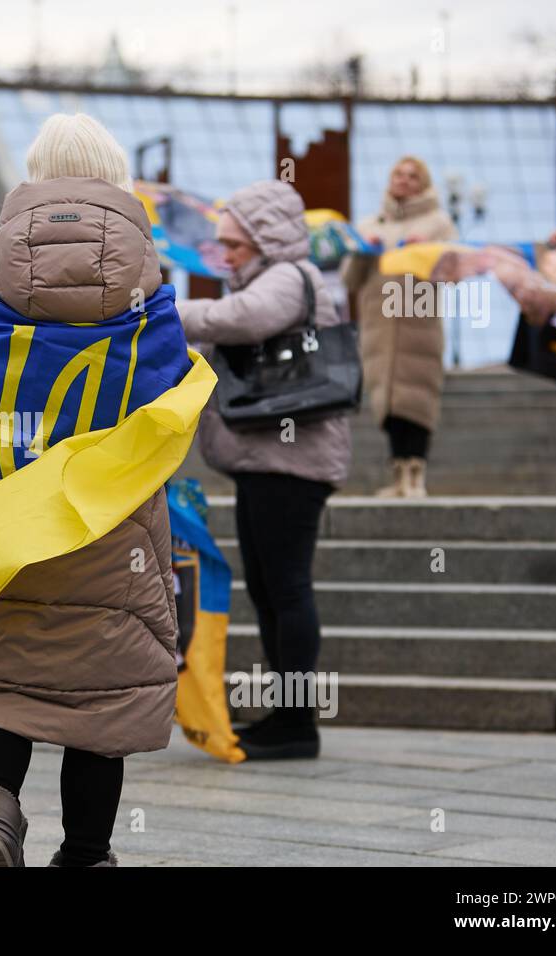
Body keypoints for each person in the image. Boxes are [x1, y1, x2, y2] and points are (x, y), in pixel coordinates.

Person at [0, 114, 197, 866]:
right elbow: (168, 389)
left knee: (0, 672)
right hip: (111, 522)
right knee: (101, 696)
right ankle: (85, 852)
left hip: (10, 513)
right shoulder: (147, 278)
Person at [179, 180, 352, 760]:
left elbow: (244, 320)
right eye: (222, 245)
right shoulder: (258, 279)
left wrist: (165, 313)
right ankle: (286, 714)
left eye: (235, 245)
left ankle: (298, 723)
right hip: (266, 459)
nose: (224, 255)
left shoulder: (287, 276)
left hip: (293, 463)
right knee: (270, 589)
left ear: (266, 239)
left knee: (287, 588)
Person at [342, 155, 457, 497]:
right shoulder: (369, 225)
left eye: (412, 176)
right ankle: (398, 475)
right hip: (379, 326)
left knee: (417, 398)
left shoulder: (439, 223)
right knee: (387, 399)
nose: (404, 180)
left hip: (418, 324)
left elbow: (453, 273)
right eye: (399, 174)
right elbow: (351, 279)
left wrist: (431, 252)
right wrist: (364, 252)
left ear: (423, 183)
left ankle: (416, 473)